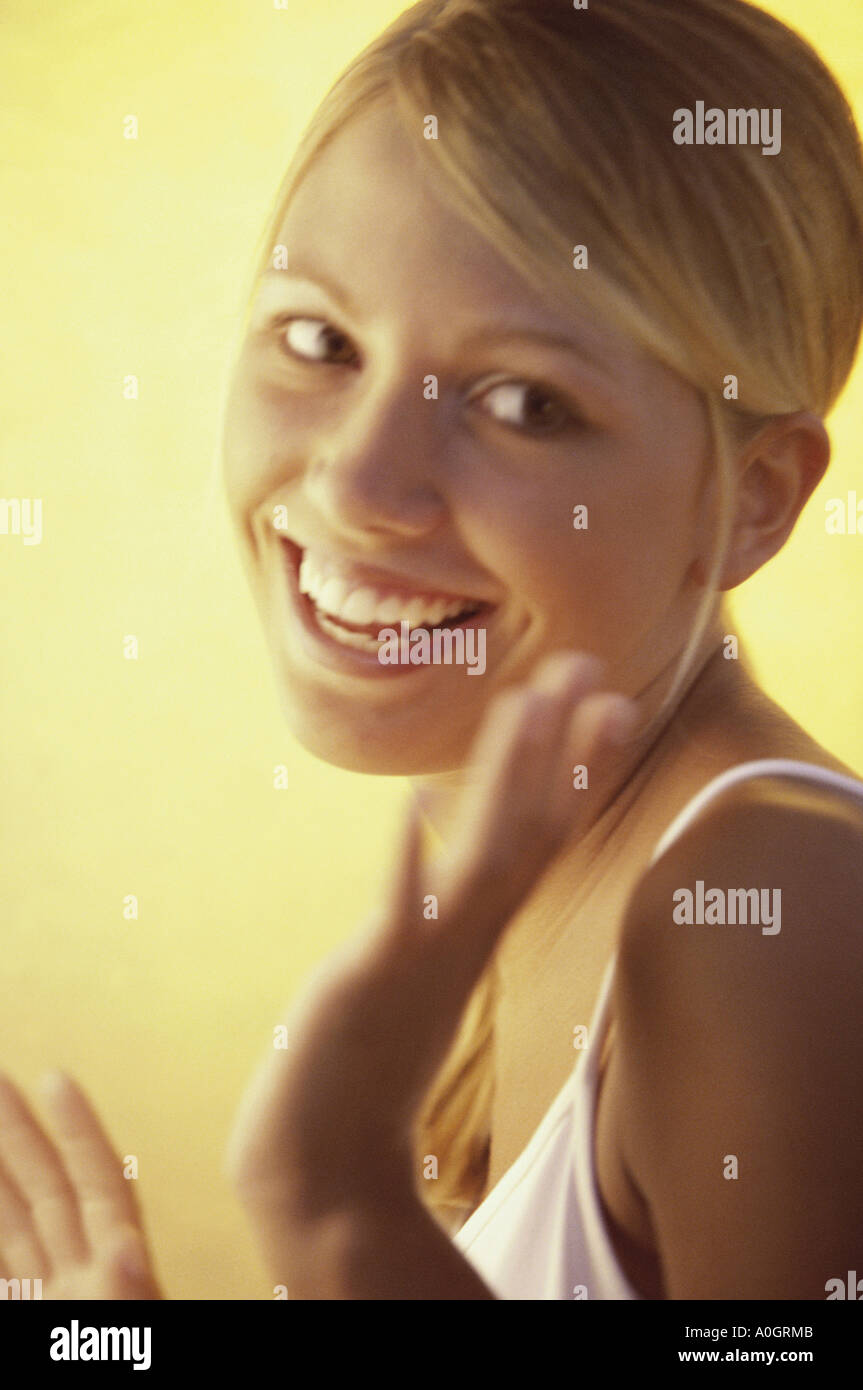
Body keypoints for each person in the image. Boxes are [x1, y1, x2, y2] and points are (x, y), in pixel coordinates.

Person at [2, 0, 863, 1301]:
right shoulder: (540, 894)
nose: (356, 481)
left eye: (523, 401)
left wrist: (336, 1206)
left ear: (754, 498)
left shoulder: (771, 913)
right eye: (320, 340)